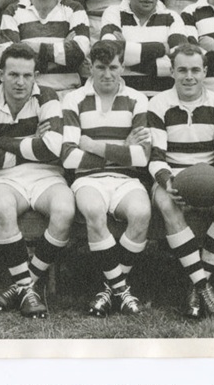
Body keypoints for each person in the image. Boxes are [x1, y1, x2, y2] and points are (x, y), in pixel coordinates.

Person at [0, 43, 75, 319]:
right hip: (6, 178)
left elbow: (53, 148)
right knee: (2, 207)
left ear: (35, 76)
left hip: (47, 174)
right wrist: (31, 143)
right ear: (0, 74)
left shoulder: (48, 96)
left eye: (27, 75)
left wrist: (3, 141)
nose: (20, 82)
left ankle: (23, 286)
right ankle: (29, 289)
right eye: (13, 74)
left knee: (65, 210)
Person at [148, 44, 214, 318]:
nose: (189, 76)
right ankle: (203, 286)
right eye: (182, 70)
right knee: (167, 205)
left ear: (205, 72)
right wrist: (169, 183)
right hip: (172, 174)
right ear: (172, 72)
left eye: (195, 70)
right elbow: (156, 158)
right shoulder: (158, 104)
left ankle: (196, 284)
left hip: (209, 174)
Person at [61, 40, 152, 316]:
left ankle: (108, 289)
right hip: (88, 178)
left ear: (122, 66)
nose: (107, 75)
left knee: (141, 213)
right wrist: (121, 149)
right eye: (100, 68)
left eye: (113, 67)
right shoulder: (73, 99)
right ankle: (122, 291)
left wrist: (94, 145)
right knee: (93, 210)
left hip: (126, 179)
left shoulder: (138, 98)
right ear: (90, 67)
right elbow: (68, 157)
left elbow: (141, 158)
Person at [0, 0, 90, 98]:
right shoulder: (13, 12)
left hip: (69, 96)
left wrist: (28, 47)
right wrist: (62, 49)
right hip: (27, 97)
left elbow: (78, 54)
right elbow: (9, 61)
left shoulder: (75, 9)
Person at [100, 0, 188, 96]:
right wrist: (162, 48)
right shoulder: (113, 13)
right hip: (123, 101)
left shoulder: (172, 17)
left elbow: (181, 62)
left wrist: (127, 52)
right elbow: (108, 54)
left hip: (163, 102)